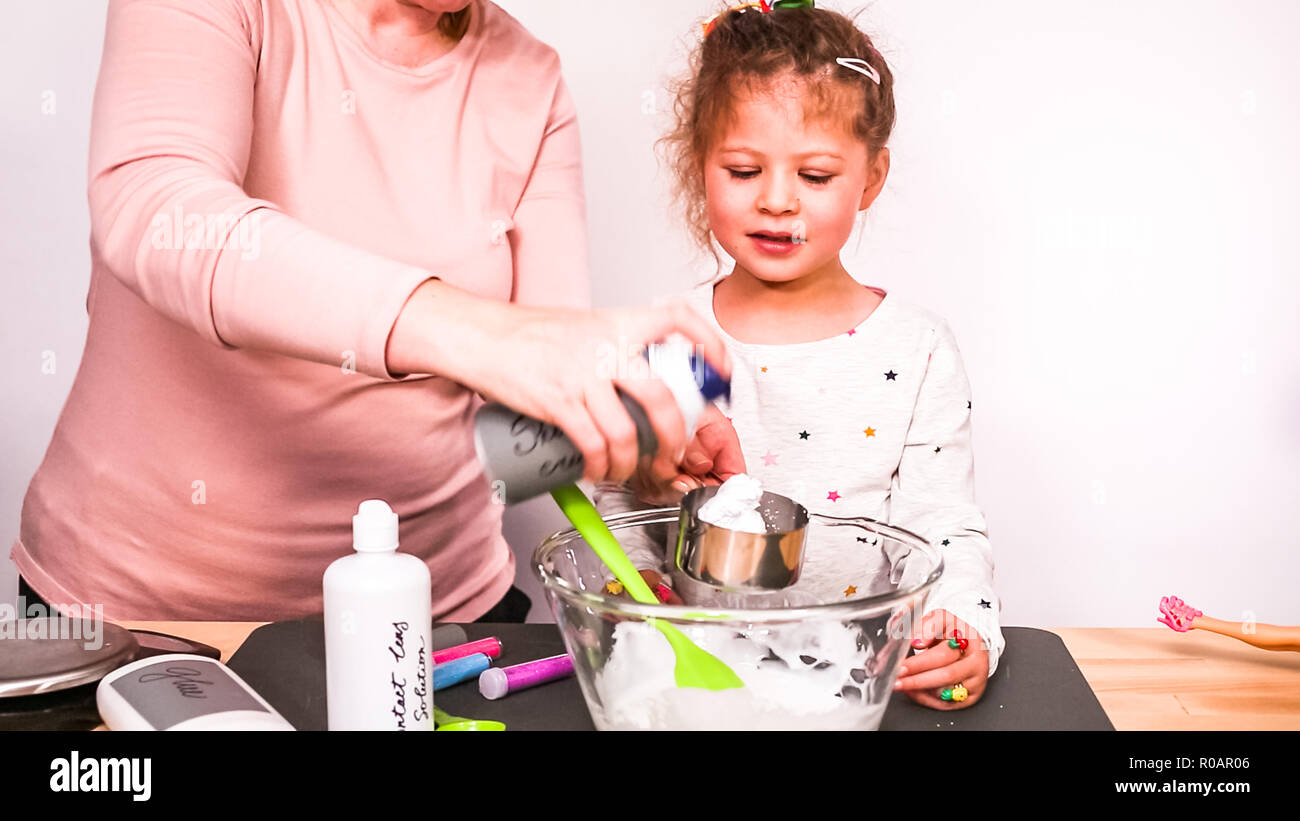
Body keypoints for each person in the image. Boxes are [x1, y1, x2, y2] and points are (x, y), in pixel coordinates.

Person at [10, 0, 739, 623]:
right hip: (144, 618)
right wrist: (480, 333)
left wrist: (629, 425)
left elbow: (529, 406)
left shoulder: (531, 80)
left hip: (441, 619)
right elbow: (155, 208)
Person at [595, 1, 1005, 710]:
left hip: (852, 686)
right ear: (701, 167)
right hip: (697, 682)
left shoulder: (917, 349)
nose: (777, 201)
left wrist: (964, 628)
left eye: (815, 176)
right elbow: (623, 505)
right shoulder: (677, 337)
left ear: (871, 177)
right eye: (744, 169)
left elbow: (944, 525)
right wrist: (632, 594)